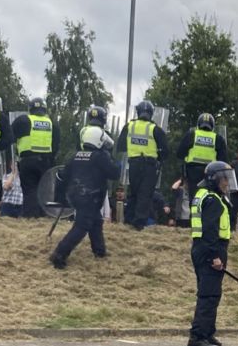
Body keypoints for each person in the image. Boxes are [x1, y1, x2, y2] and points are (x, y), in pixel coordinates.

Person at [49, 125, 117, 269]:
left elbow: (62, 176)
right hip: (90, 196)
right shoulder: (100, 157)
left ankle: (99, 252)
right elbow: (114, 174)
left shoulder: (76, 155)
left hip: (75, 195)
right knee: (81, 226)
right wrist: (111, 157)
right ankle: (59, 254)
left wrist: (60, 197)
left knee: (96, 221)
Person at [188, 160, 237, 346]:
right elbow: (210, 230)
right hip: (211, 248)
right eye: (224, 179)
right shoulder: (213, 200)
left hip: (202, 248)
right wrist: (215, 256)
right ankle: (198, 336)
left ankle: (207, 332)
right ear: (214, 179)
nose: (227, 183)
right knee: (209, 295)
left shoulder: (203, 195)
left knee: (211, 293)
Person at [117, 100, 169, 230]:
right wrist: (160, 159)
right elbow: (166, 150)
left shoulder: (129, 126)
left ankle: (128, 220)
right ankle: (139, 224)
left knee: (133, 193)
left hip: (133, 164)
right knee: (144, 195)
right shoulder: (155, 129)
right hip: (149, 166)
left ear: (138, 112)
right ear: (151, 113)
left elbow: (120, 146)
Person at [12, 96, 59, 218]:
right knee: (45, 192)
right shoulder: (52, 124)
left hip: (27, 161)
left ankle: (30, 218)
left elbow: (11, 136)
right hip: (46, 162)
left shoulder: (23, 120)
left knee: (29, 190)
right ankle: (45, 216)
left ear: (30, 109)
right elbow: (56, 145)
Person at [177, 113, 226, 203]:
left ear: (198, 124)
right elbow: (222, 161)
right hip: (211, 174)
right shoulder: (218, 138)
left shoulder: (191, 135)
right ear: (212, 126)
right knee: (210, 199)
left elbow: (179, 153)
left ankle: (195, 216)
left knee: (194, 200)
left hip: (192, 173)